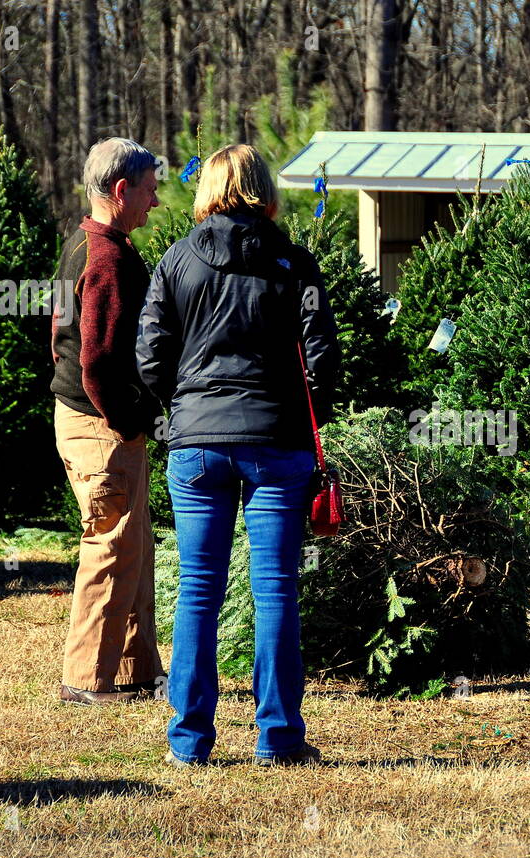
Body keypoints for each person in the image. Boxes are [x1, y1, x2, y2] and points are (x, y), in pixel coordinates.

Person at [137, 145, 338, 767]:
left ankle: (190, 740)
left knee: (199, 589)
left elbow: (149, 356)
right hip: (278, 443)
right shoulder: (293, 263)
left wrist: (183, 404)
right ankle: (278, 738)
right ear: (264, 189)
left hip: (197, 443)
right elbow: (323, 358)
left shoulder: (177, 259)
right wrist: (307, 416)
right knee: (275, 589)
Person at [51, 137, 166, 705]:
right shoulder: (107, 258)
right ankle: (87, 681)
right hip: (101, 425)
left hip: (84, 418)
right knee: (109, 544)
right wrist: (126, 421)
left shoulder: (82, 242)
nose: (156, 202)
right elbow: (95, 361)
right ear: (121, 191)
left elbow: (59, 339)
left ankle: (134, 671)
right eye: (149, 190)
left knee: (132, 544)